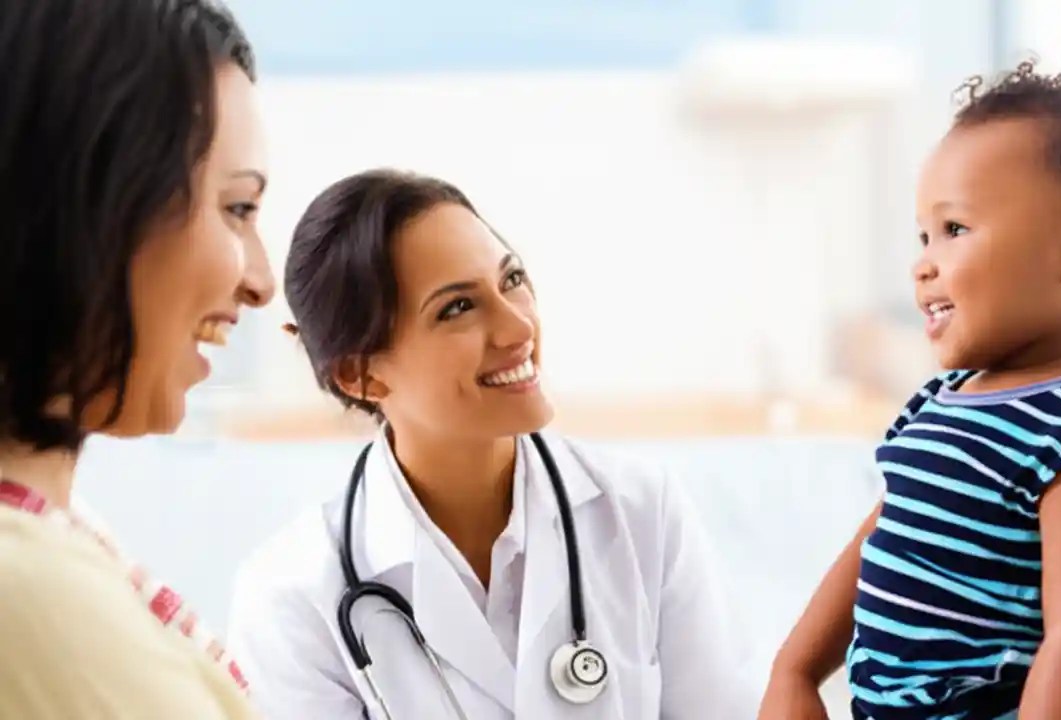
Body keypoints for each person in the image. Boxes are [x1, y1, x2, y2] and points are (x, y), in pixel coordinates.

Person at [225, 169, 761, 719]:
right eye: (457, 308)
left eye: (512, 280)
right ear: (360, 375)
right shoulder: (291, 595)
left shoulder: (642, 512)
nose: (517, 327)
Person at [759, 61, 1061, 720]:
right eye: (923, 235)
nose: (924, 262)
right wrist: (794, 671)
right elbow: (887, 537)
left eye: (955, 229)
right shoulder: (946, 400)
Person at [0, 1, 275, 717]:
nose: (262, 279)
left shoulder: (55, 543)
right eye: (237, 209)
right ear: (91, 200)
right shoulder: (28, 593)